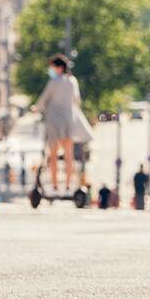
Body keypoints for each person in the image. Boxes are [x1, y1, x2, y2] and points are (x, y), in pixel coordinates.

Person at [33, 54, 93, 194]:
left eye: (52, 67)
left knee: (53, 154)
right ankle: (67, 186)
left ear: (59, 67)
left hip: (54, 120)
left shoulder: (53, 82)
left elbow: (44, 98)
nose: (51, 69)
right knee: (68, 154)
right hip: (68, 120)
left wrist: (36, 108)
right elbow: (76, 100)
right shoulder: (72, 81)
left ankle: (54, 186)